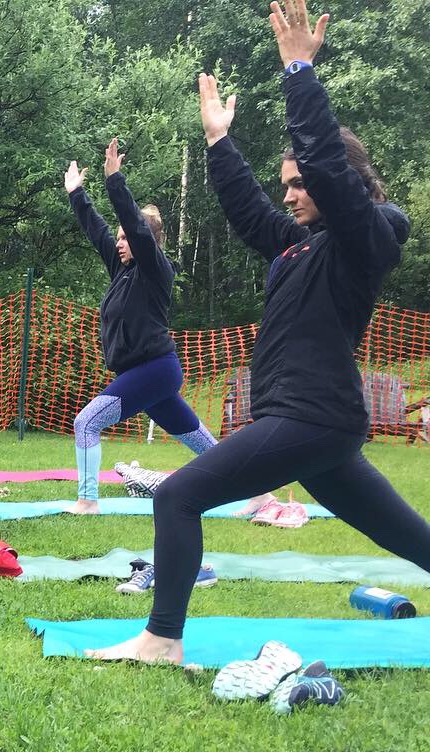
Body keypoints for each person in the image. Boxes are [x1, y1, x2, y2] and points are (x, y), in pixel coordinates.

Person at [90, 0, 430, 664]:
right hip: (320, 426)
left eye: (302, 184)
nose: (294, 194)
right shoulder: (300, 245)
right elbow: (249, 210)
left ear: (348, 186)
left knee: (179, 496)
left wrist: (299, 70)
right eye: (288, 185)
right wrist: (219, 141)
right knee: (408, 535)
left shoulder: (365, 237)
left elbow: (329, 166)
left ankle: (161, 640)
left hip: (312, 416)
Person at [64, 139, 217, 514]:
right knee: (202, 444)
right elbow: (96, 230)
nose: (118, 243)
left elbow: (134, 223)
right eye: (118, 239)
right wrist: (77, 193)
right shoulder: (122, 269)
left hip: (153, 369)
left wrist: (115, 180)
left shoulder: (154, 269)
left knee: (86, 422)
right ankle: (260, 492)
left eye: (125, 238)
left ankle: (87, 501)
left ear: (143, 241)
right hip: (150, 376)